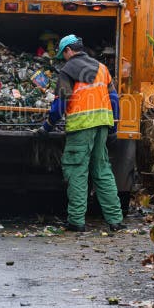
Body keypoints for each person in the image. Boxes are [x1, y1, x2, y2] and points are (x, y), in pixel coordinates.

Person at [34, 34, 125, 232]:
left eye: (62, 54)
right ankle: (116, 220)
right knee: (102, 171)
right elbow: (114, 99)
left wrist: (47, 126)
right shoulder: (102, 69)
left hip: (81, 127)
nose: (63, 58)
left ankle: (76, 221)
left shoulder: (68, 70)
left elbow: (61, 104)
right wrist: (113, 128)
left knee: (77, 171)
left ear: (68, 51)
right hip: (102, 125)